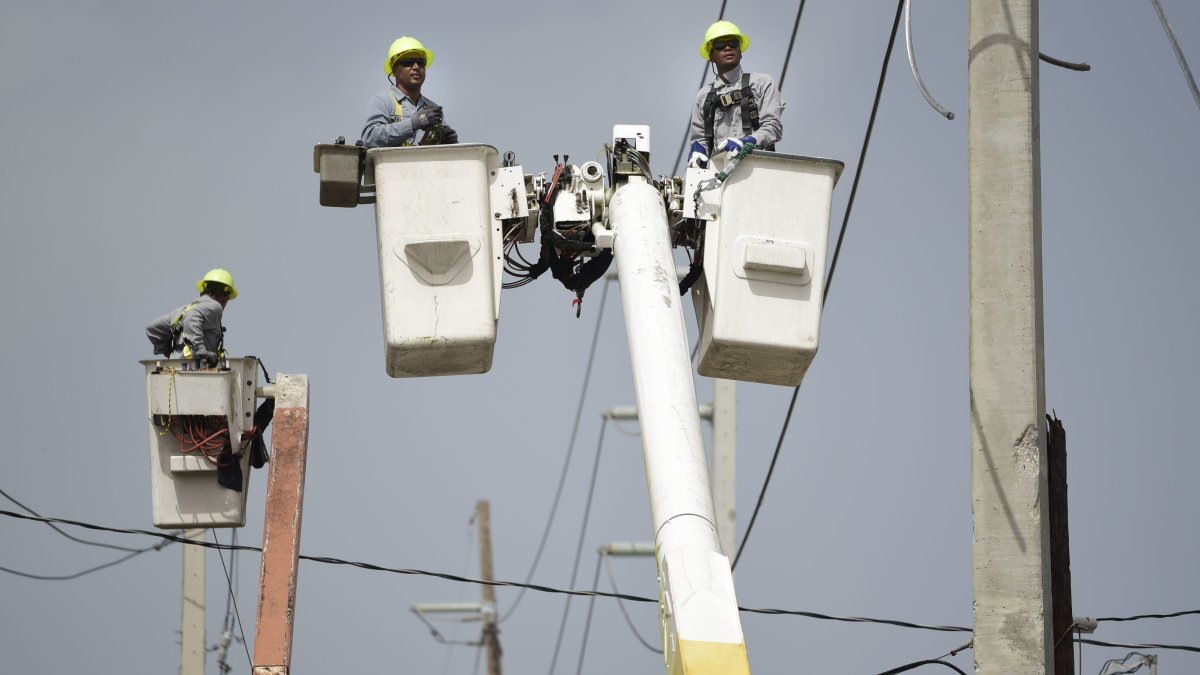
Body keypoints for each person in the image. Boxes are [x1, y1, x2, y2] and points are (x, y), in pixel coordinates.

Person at [687, 20, 785, 168]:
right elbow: (700, 138)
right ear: (711, 56)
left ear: (740, 51)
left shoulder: (762, 83)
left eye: (733, 43)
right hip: (719, 175)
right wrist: (697, 151)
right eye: (720, 45)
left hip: (757, 168)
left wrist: (750, 141)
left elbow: (773, 126)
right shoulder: (704, 96)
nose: (727, 48)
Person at [360, 36, 459, 149]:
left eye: (421, 63)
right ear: (394, 69)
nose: (416, 67)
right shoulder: (383, 101)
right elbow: (370, 138)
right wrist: (413, 124)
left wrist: (450, 143)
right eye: (408, 62)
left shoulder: (432, 108)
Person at [146, 268, 237, 368]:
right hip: (196, 371)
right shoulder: (215, 306)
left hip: (174, 369)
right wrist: (202, 351)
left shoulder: (183, 310)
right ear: (225, 298)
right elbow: (192, 318)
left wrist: (170, 353)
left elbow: (152, 329)